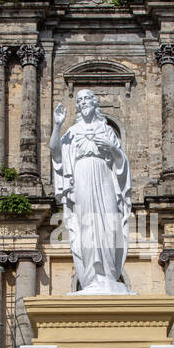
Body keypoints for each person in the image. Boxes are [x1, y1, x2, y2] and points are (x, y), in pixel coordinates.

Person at [49, 89, 132, 295]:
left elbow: (121, 163)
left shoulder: (107, 131)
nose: (83, 102)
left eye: (87, 99)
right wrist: (58, 125)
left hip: (105, 177)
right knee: (87, 226)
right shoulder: (73, 132)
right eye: (80, 100)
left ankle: (109, 275)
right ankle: (92, 278)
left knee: (109, 223)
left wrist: (112, 148)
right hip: (82, 178)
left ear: (95, 103)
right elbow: (56, 153)